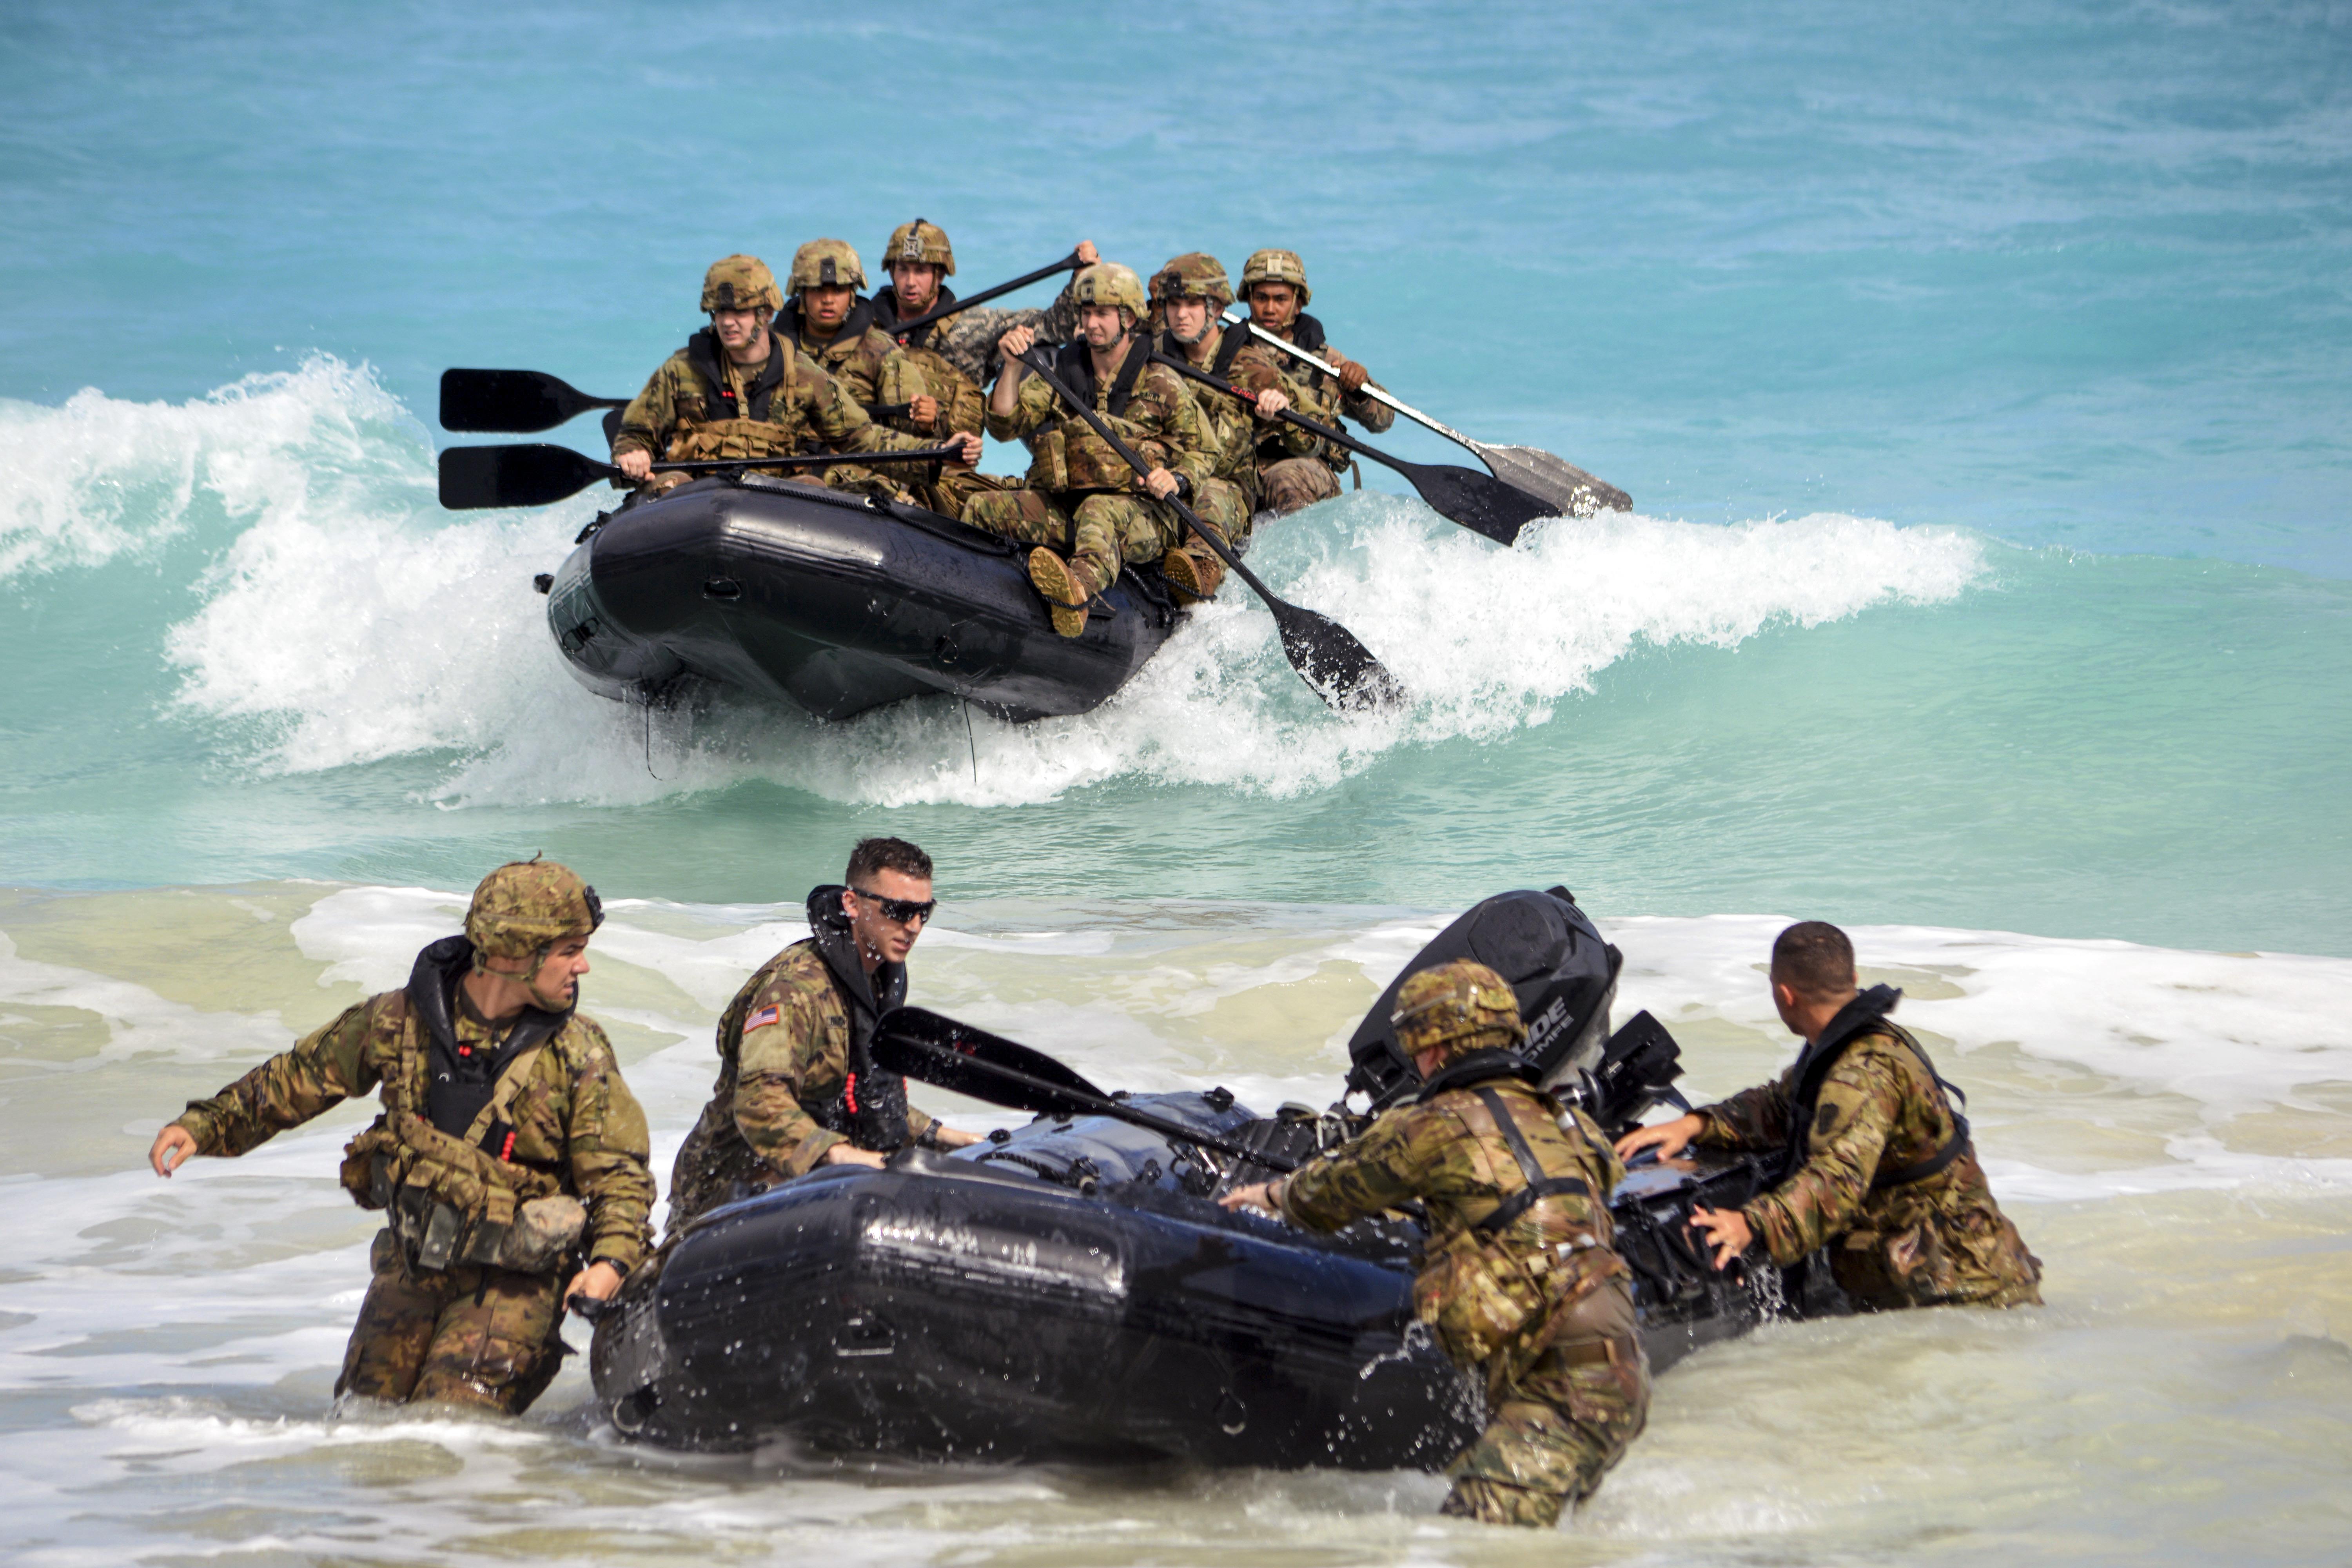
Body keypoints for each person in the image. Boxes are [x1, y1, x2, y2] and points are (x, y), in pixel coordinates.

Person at [146, 860, 656, 1416]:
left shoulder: (577, 1052)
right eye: (568, 950)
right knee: (363, 1416)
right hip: (413, 1265)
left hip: (514, 1283)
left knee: (452, 1422)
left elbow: (620, 1180)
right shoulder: (398, 1020)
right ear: (513, 952)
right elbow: (302, 1077)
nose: (582, 965)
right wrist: (207, 1126)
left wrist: (609, 1264)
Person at [1221, 960, 1649, 1528]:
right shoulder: (1572, 1124)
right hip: (1620, 1377)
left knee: (1478, 1546)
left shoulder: (1432, 1125)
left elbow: (1329, 1194)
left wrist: (1269, 1196)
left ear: (1436, 1046)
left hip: (1561, 1391)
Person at [1615, 921, 2042, 1310]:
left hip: (1967, 1291)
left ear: (1785, 994)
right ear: (1853, 980)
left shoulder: (1861, 1074)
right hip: (1937, 1274)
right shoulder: (1846, 1046)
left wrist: (1752, 1224)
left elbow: (1838, 1179)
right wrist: (1696, 1124)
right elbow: (1784, 1106)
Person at [665, 837, 983, 1240]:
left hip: (813, 1184)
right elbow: (759, 1102)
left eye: (924, 912)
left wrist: (938, 1135)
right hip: (730, 1192)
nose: (914, 926)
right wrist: (837, 1154)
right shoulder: (795, 991)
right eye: (900, 910)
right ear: (852, 904)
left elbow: (861, 1091)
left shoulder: (875, 981)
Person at [969, 262, 1235, 633]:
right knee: (981, 507)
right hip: (1069, 506)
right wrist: (1012, 369)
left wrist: (1175, 478)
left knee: (1099, 511)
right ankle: (977, 596)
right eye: (1087, 313)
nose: (1092, 324)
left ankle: (1075, 596)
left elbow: (1205, 451)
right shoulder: (1063, 373)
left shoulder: (1162, 381)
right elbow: (1004, 426)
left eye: (1103, 315)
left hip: (1143, 515)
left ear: (1127, 318)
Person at [609, 254, 979, 498]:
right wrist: (633, 454)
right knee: (671, 488)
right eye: (720, 312)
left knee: (811, 490)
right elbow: (636, 434)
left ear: (766, 313)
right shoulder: (681, 370)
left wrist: (938, 455)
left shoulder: (806, 377)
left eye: (740, 311)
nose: (728, 322)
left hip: (777, 499)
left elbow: (864, 440)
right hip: (696, 498)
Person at [1148, 251, 1312, 555]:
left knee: (1211, 501)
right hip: (1164, 479)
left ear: (1217, 309)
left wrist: (1280, 415)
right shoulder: (1149, 355)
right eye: (1174, 303)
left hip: (1225, 485)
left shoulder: (1250, 366)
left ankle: (1200, 571)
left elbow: (1310, 439)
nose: (1181, 314)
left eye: (1193, 304)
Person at [1237, 248, 1397, 515]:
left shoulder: (1325, 361)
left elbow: (1384, 420)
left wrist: (1360, 389)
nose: (1270, 308)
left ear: (1298, 303)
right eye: (1261, 298)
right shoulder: (1229, 354)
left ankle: (1301, 554)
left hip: (1308, 470)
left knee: (1284, 479)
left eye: (1281, 299)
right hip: (1243, 467)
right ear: (1249, 299)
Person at [868, 220, 1099, 387]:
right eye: (903, 270)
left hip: (949, 449)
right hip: (870, 448)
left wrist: (1081, 277)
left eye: (920, 271)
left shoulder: (976, 325)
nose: (910, 282)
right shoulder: (863, 327)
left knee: (1043, 357)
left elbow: (1054, 326)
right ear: (891, 272)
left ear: (939, 276)